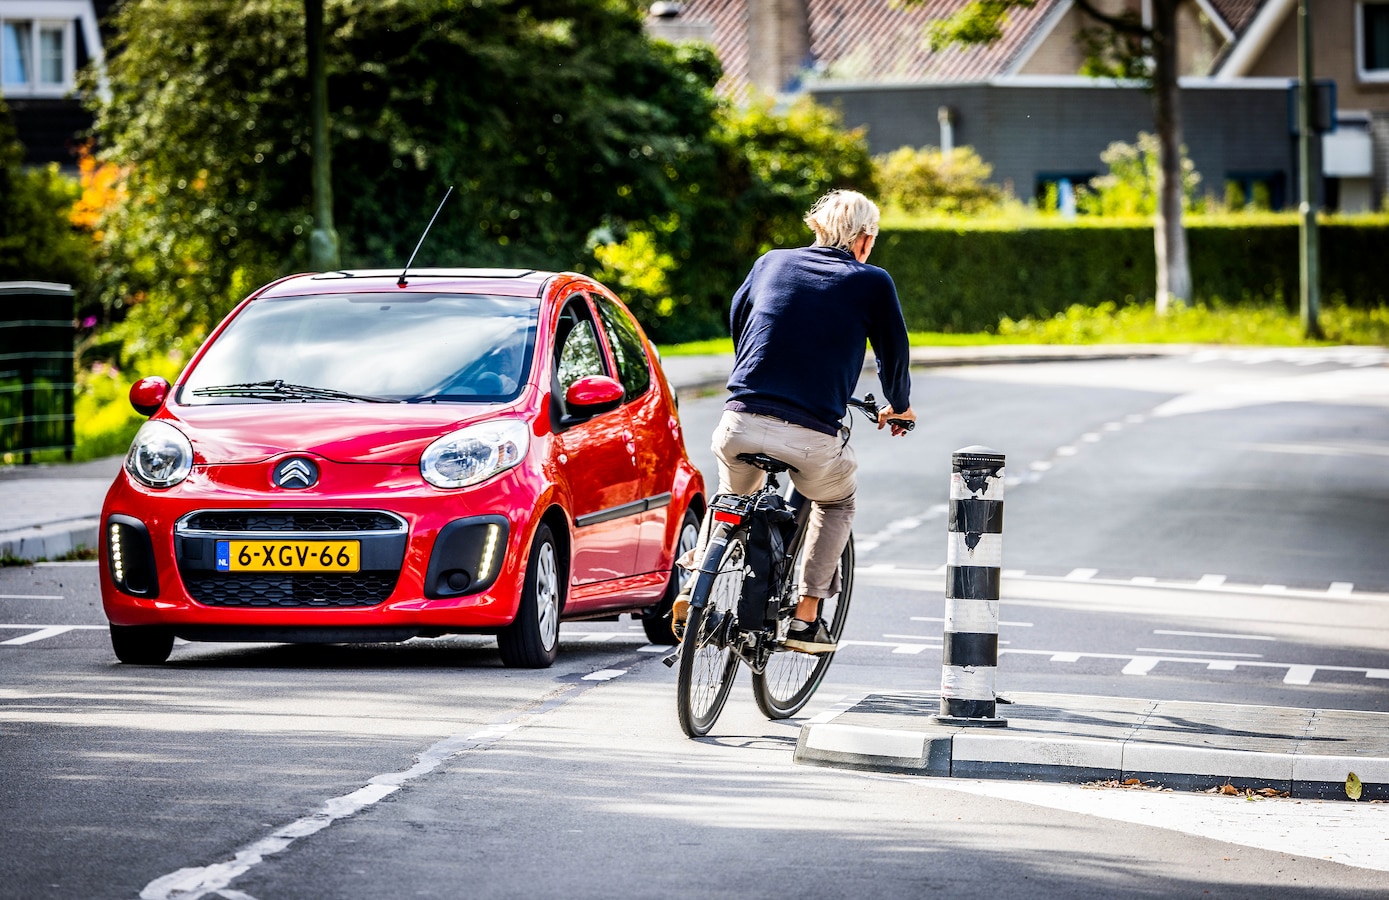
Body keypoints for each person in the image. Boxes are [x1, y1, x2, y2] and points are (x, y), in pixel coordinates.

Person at [676, 189, 915, 653]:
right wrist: (899, 406)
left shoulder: (770, 263)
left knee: (732, 493)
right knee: (836, 502)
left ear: (818, 228)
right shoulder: (872, 280)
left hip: (740, 419)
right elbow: (894, 354)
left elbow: (741, 319)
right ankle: (806, 619)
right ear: (865, 239)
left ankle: (693, 590)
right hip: (812, 436)